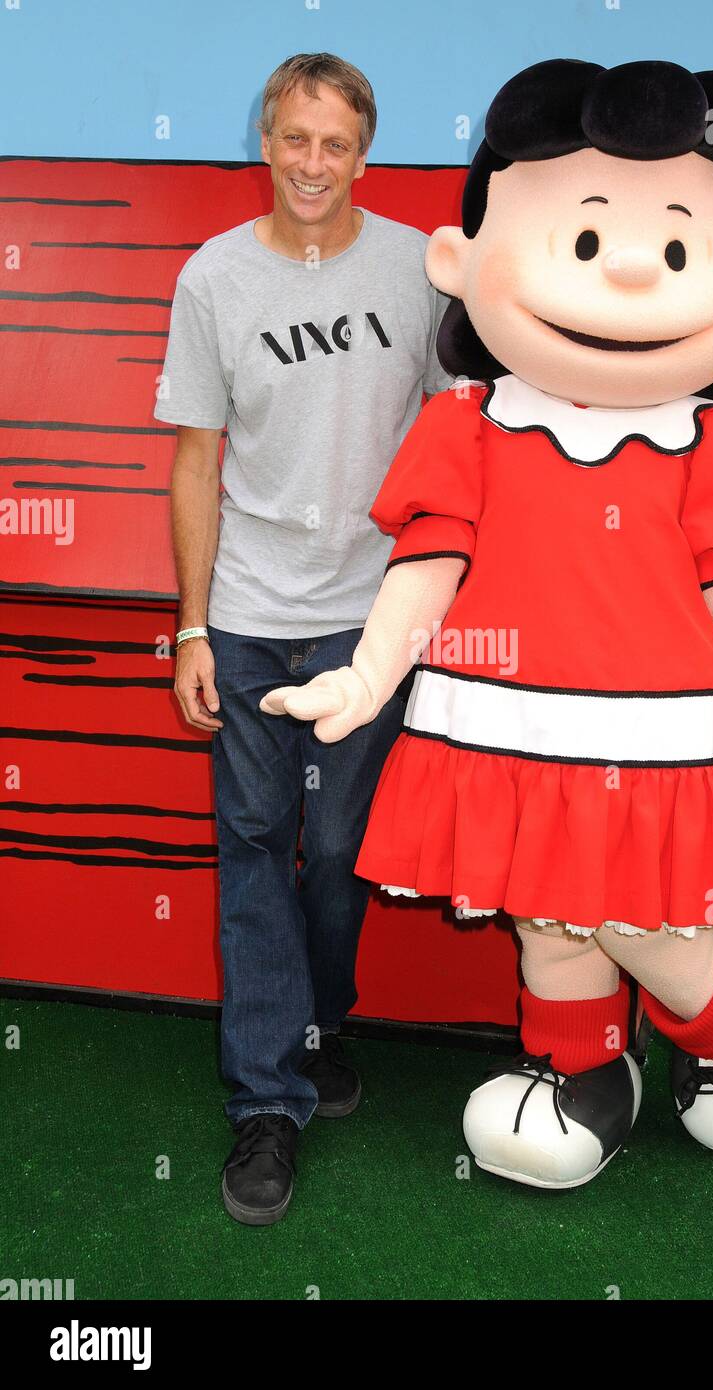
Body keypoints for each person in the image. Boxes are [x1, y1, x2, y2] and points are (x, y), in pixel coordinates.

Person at [261, 59, 713, 1190]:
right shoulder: (470, 427)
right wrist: (363, 681)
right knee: (546, 922)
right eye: (585, 238)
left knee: (625, 913)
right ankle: (585, 1074)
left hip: (652, 737)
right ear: (458, 264)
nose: (628, 279)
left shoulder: (710, 444)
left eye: (673, 249)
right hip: (501, 728)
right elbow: (426, 567)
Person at [154, 51, 452, 1225]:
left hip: (365, 622)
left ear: (362, 154)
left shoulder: (418, 270)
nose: (312, 163)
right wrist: (190, 628)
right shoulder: (213, 279)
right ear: (264, 144)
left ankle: (321, 1022)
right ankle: (265, 1103)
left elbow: (454, 432)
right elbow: (193, 463)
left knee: (333, 850)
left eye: (335, 143)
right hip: (245, 620)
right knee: (250, 849)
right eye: (293, 139)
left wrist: (441, 590)